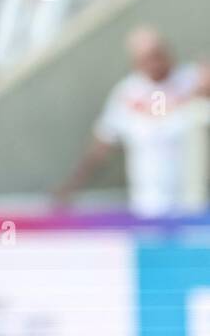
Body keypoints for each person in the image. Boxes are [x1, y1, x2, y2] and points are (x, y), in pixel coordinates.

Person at [55, 26, 210, 217]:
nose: (154, 62)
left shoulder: (194, 79)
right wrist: (71, 187)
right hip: (147, 207)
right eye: (146, 58)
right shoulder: (126, 92)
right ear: (135, 62)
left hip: (194, 208)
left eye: (157, 54)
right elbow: (102, 144)